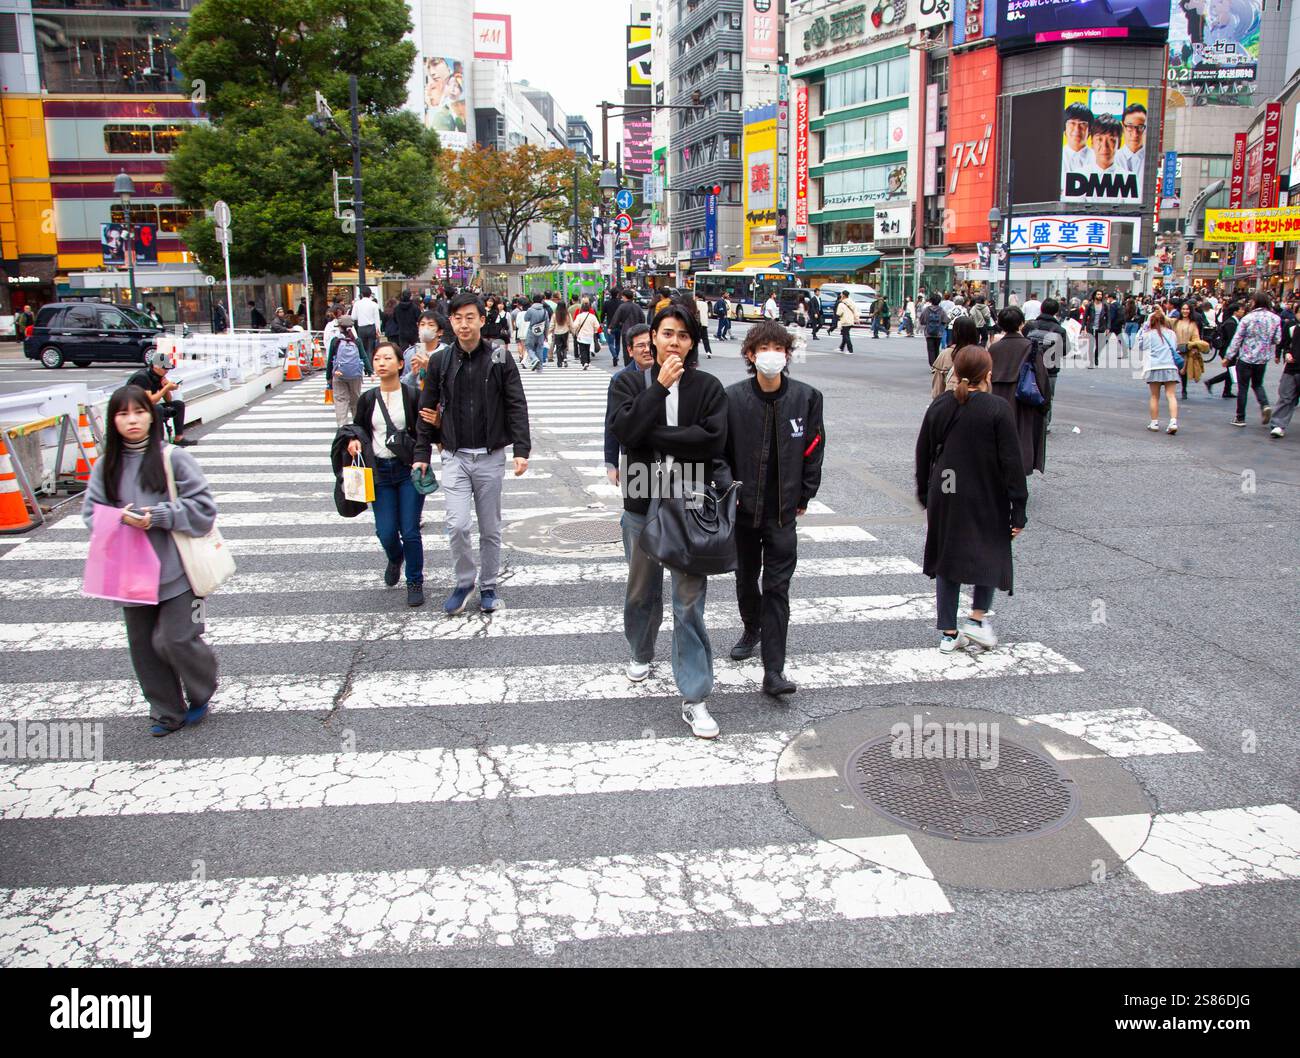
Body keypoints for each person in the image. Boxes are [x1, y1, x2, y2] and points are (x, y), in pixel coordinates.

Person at [608, 302, 728, 740]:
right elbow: (623, 432)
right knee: (641, 590)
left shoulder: (708, 387)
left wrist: (654, 435)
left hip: (691, 502)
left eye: (681, 334)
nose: (672, 341)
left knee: (689, 601)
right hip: (640, 499)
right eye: (665, 333)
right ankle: (641, 650)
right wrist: (656, 390)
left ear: (691, 341)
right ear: (652, 338)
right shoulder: (627, 382)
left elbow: (712, 440)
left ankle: (695, 695)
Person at [81, 385, 219, 735]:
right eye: (123, 414)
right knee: (143, 648)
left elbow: (204, 509)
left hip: (180, 571)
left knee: (175, 638)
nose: (132, 420)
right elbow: (91, 515)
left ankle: (202, 688)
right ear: (112, 421)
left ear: (151, 415)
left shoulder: (173, 458)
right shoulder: (105, 466)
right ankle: (166, 712)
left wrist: (156, 517)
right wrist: (118, 517)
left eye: (139, 412)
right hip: (131, 573)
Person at [412, 293, 531, 615]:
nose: (464, 324)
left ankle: (488, 586)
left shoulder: (500, 356)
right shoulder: (440, 361)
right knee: (458, 525)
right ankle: (464, 581)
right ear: (450, 323)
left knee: (490, 528)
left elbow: (515, 403)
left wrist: (522, 449)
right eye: (457, 318)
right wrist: (421, 454)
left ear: (481, 319)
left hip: (490, 457)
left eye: (470, 317)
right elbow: (426, 410)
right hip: (454, 456)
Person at [723, 321, 825, 699]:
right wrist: (727, 488)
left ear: (787, 354)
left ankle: (774, 670)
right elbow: (720, 452)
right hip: (744, 509)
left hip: (783, 512)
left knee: (778, 587)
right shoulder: (731, 398)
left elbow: (814, 448)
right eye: (763, 348)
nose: (772, 355)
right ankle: (751, 628)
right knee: (747, 577)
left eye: (778, 348)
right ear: (750, 355)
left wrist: (805, 495)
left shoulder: (807, 397)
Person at [915, 345, 1028, 655]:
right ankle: (977, 619)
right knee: (990, 549)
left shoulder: (940, 405)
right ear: (988, 375)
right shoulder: (997, 408)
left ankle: (949, 633)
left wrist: (926, 495)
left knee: (947, 556)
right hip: (985, 491)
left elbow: (923, 452)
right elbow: (1012, 463)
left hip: (946, 491)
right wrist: (1019, 509)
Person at [338, 343, 427, 607]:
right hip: (380, 472)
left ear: (400, 364)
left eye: (388, 358)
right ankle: (395, 557)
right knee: (386, 531)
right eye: (377, 358)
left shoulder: (411, 395)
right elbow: (359, 429)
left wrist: (422, 459)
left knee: (410, 530)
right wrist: (352, 441)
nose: (381, 363)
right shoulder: (368, 398)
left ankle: (414, 580)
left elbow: (423, 432)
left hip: (407, 470)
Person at [989, 306, 1050, 473]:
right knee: (1022, 436)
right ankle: (1019, 475)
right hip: (1023, 397)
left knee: (999, 437)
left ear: (1000, 324)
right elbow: (1041, 376)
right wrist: (1044, 404)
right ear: (1021, 323)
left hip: (997, 396)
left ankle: (999, 473)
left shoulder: (993, 348)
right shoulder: (1030, 346)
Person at [603, 324, 653, 486]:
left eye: (650, 344)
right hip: (633, 457)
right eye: (641, 345)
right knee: (637, 507)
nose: (647, 349)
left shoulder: (670, 373)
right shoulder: (621, 380)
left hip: (667, 458)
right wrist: (611, 463)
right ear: (630, 351)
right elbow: (612, 422)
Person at [1223, 291, 1279, 428]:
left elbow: (1237, 338)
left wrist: (1228, 356)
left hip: (1246, 357)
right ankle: (1264, 405)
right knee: (1258, 384)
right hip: (1262, 358)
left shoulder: (1248, 318)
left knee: (1243, 387)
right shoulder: (1275, 318)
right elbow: (1277, 339)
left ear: (1255, 302)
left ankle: (1240, 417)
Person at [128, 351, 195, 447]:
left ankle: (178, 438)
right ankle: (159, 443)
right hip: (135, 408)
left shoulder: (158, 377)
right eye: (165, 368)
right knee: (158, 408)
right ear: (156, 366)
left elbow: (169, 400)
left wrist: (166, 385)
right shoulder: (142, 377)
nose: (167, 371)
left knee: (178, 404)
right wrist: (166, 388)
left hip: (148, 406)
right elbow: (150, 401)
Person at [1023, 298, 1069, 433]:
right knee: (1048, 396)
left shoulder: (1030, 326)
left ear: (1041, 309)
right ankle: (1044, 423)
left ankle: (1028, 419)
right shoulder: (1060, 330)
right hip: (1051, 369)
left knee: (1027, 391)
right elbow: (1065, 350)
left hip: (1030, 366)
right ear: (1056, 312)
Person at [1139, 306, 1181, 434]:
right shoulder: (1171, 334)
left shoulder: (1148, 335)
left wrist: (1144, 327)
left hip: (1154, 367)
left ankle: (1154, 422)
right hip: (1170, 366)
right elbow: (1174, 347)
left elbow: (1141, 346)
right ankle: (1173, 421)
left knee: (1154, 396)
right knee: (1171, 395)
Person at [326, 315, 367, 426]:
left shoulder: (335, 341)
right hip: (355, 375)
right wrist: (369, 370)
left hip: (339, 374)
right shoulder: (357, 341)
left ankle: (342, 426)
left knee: (340, 400)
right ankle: (357, 424)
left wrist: (328, 377)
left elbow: (330, 360)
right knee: (355, 400)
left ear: (340, 327)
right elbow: (363, 356)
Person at [931, 316, 980, 400]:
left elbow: (937, 389)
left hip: (950, 403)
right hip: (976, 403)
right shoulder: (980, 355)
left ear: (954, 332)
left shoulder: (946, 354)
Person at [1205, 300, 1242, 398]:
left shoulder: (1232, 322)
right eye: (1241, 310)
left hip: (1228, 350)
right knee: (1232, 370)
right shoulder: (1231, 323)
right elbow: (1231, 339)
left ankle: (1226, 391)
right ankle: (1211, 381)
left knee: (1231, 370)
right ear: (1235, 312)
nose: (1243, 312)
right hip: (1227, 350)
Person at [1270, 311, 1299, 439]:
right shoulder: (1293, 327)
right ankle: (1278, 424)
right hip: (1292, 367)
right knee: (1286, 396)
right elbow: (1285, 343)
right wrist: (1285, 353)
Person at [400, 310, 446, 388]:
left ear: (440, 332)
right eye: (422, 324)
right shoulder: (410, 353)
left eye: (431, 325)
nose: (426, 328)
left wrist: (430, 369)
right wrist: (413, 374)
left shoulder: (446, 352)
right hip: (416, 397)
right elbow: (402, 384)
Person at [1172, 301, 1203, 400]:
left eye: (1187, 309)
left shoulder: (1193, 323)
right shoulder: (1176, 321)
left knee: (1183, 371)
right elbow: (1166, 321)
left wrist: (1194, 346)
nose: (1185, 311)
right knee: (1173, 370)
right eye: (1183, 309)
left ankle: (1183, 389)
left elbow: (1196, 337)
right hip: (1175, 350)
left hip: (1186, 349)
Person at [610, 289, 646, 367]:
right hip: (636, 332)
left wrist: (611, 327)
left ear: (625, 297)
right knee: (636, 347)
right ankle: (637, 364)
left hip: (626, 331)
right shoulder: (637, 306)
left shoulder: (622, 306)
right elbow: (643, 319)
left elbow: (616, 318)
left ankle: (628, 366)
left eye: (622, 296)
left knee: (627, 350)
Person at [353, 285, 382, 364]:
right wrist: (378, 330)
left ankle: (365, 366)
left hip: (361, 328)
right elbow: (377, 319)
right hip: (371, 327)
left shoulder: (357, 304)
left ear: (361, 294)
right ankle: (370, 366)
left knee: (362, 348)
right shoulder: (374, 304)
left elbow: (354, 317)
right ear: (370, 294)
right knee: (370, 348)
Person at [522, 293, 550, 371]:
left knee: (529, 346)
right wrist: (546, 335)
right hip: (541, 332)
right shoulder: (545, 311)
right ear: (541, 301)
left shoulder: (530, 310)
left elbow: (526, 319)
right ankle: (539, 366)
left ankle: (534, 359)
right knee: (539, 348)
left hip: (532, 331)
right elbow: (547, 324)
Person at [572, 298, 601, 370]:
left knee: (582, 350)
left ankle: (584, 362)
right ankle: (587, 361)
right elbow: (597, 326)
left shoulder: (579, 316)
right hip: (589, 336)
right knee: (587, 349)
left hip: (581, 336)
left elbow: (575, 325)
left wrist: (575, 331)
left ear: (582, 308)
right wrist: (594, 331)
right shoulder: (592, 316)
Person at [1085, 289, 1109, 368]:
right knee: (1091, 345)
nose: (1100, 296)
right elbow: (1085, 317)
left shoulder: (1105, 305)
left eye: (1101, 294)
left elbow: (1108, 317)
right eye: (1098, 294)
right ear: (1095, 295)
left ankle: (1096, 357)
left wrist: (1108, 328)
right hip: (1091, 327)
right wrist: (1083, 327)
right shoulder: (1089, 305)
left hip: (1101, 327)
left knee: (1099, 345)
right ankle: (1091, 363)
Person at [919, 292, 945, 366]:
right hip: (938, 333)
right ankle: (936, 364)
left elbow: (922, 320)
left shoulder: (927, 310)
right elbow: (945, 320)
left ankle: (932, 365)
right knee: (937, 349)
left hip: (929, 333)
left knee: (930, 349)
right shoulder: (941, 310)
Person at [549, 299, 572, 368]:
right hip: (565, 332)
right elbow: (570, 324)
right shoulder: (567, 314)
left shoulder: (555, 315)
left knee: (558, 347)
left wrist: (549, 332)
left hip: (557, 332)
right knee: (564, 347)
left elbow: (552, 325)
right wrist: (574, 332)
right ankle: (565, 358)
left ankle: (559, 362)